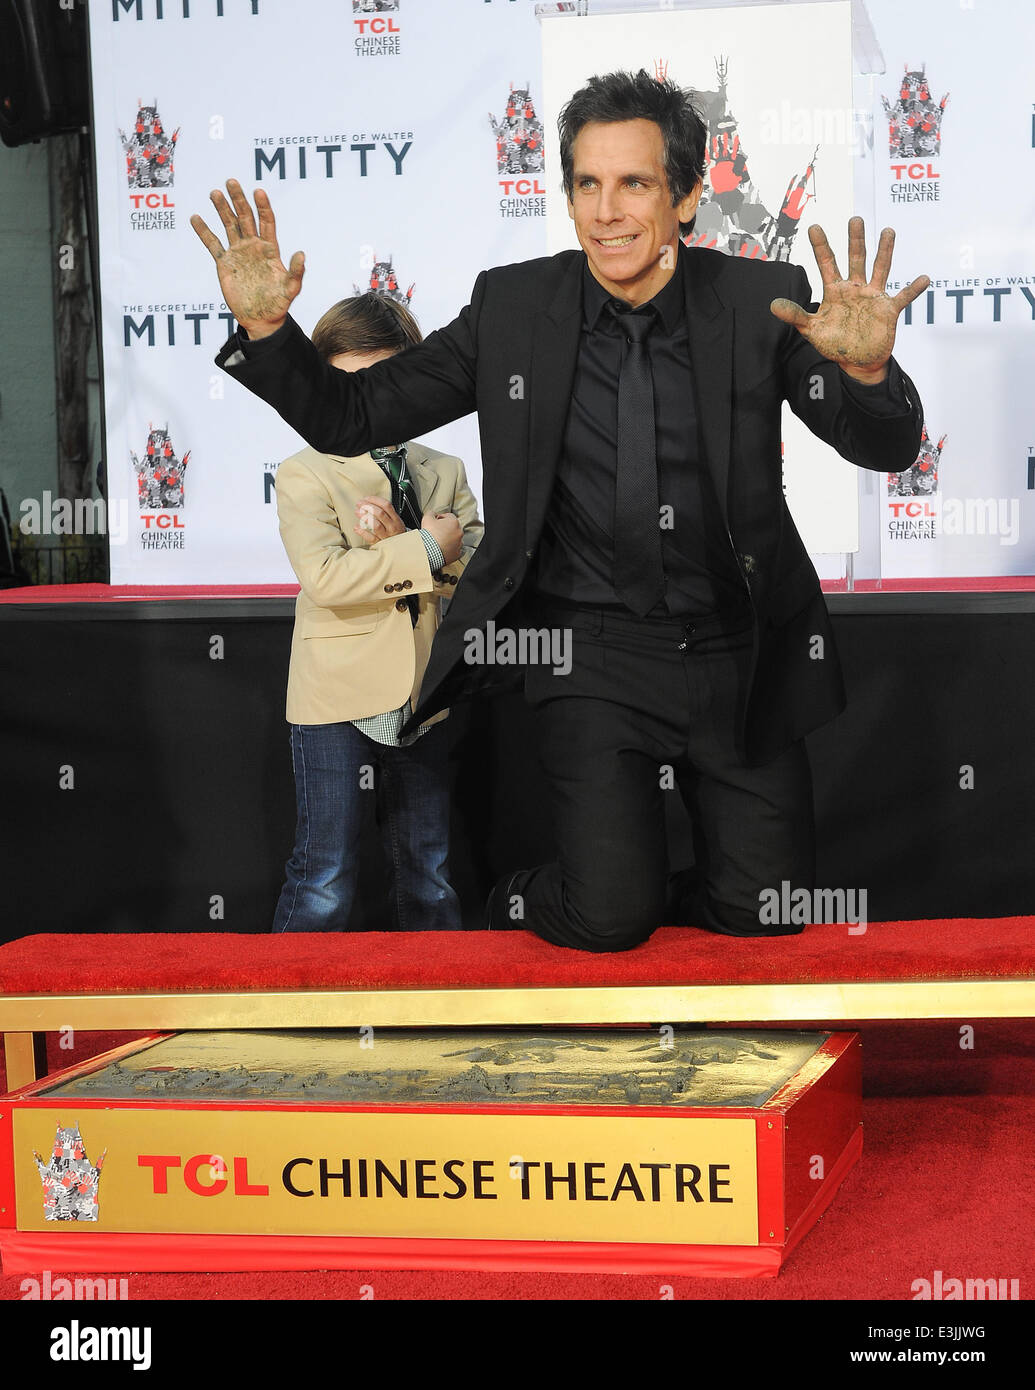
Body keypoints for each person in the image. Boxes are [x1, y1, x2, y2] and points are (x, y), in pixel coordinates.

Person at [192, 69, 928, 953]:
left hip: (738, 653)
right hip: (588, 655)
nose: (607, 211)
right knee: (609, 917)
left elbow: (879, 447)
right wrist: (272, 335)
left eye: (636, 184)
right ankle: (535, 895)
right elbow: (351, 416)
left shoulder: (755, 299)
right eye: (587, 183)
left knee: (760, 912)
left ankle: (665, 885)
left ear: (689, 196)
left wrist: (868, 375)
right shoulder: (513, 308)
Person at [269, 291, 483, 932]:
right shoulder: (304, 473)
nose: (365, 402)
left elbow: (480, 572)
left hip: (424, 696)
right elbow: (326, 578)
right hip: (335, 696)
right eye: (347, 384)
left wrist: (408, 547)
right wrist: (421, 546)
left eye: (384, 381)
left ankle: (433, 1021)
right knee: (323, 879)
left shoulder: (442, 468)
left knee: (429, 873)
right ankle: (286, 1021)